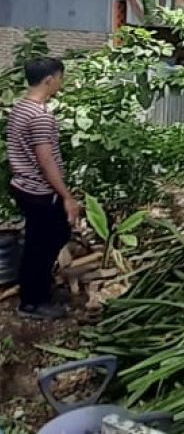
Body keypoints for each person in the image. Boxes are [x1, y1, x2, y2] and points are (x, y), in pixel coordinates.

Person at [7, 57, 77, 320]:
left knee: (48, 238)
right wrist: (66, 196)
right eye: (60, 78)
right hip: (38, 191)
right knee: (43, 244)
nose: (61, 83)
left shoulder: (21, 108)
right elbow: (46, 161)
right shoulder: (40, 116)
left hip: (24, 186)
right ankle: (32, 302)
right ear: (49, 79)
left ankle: (39, 291)